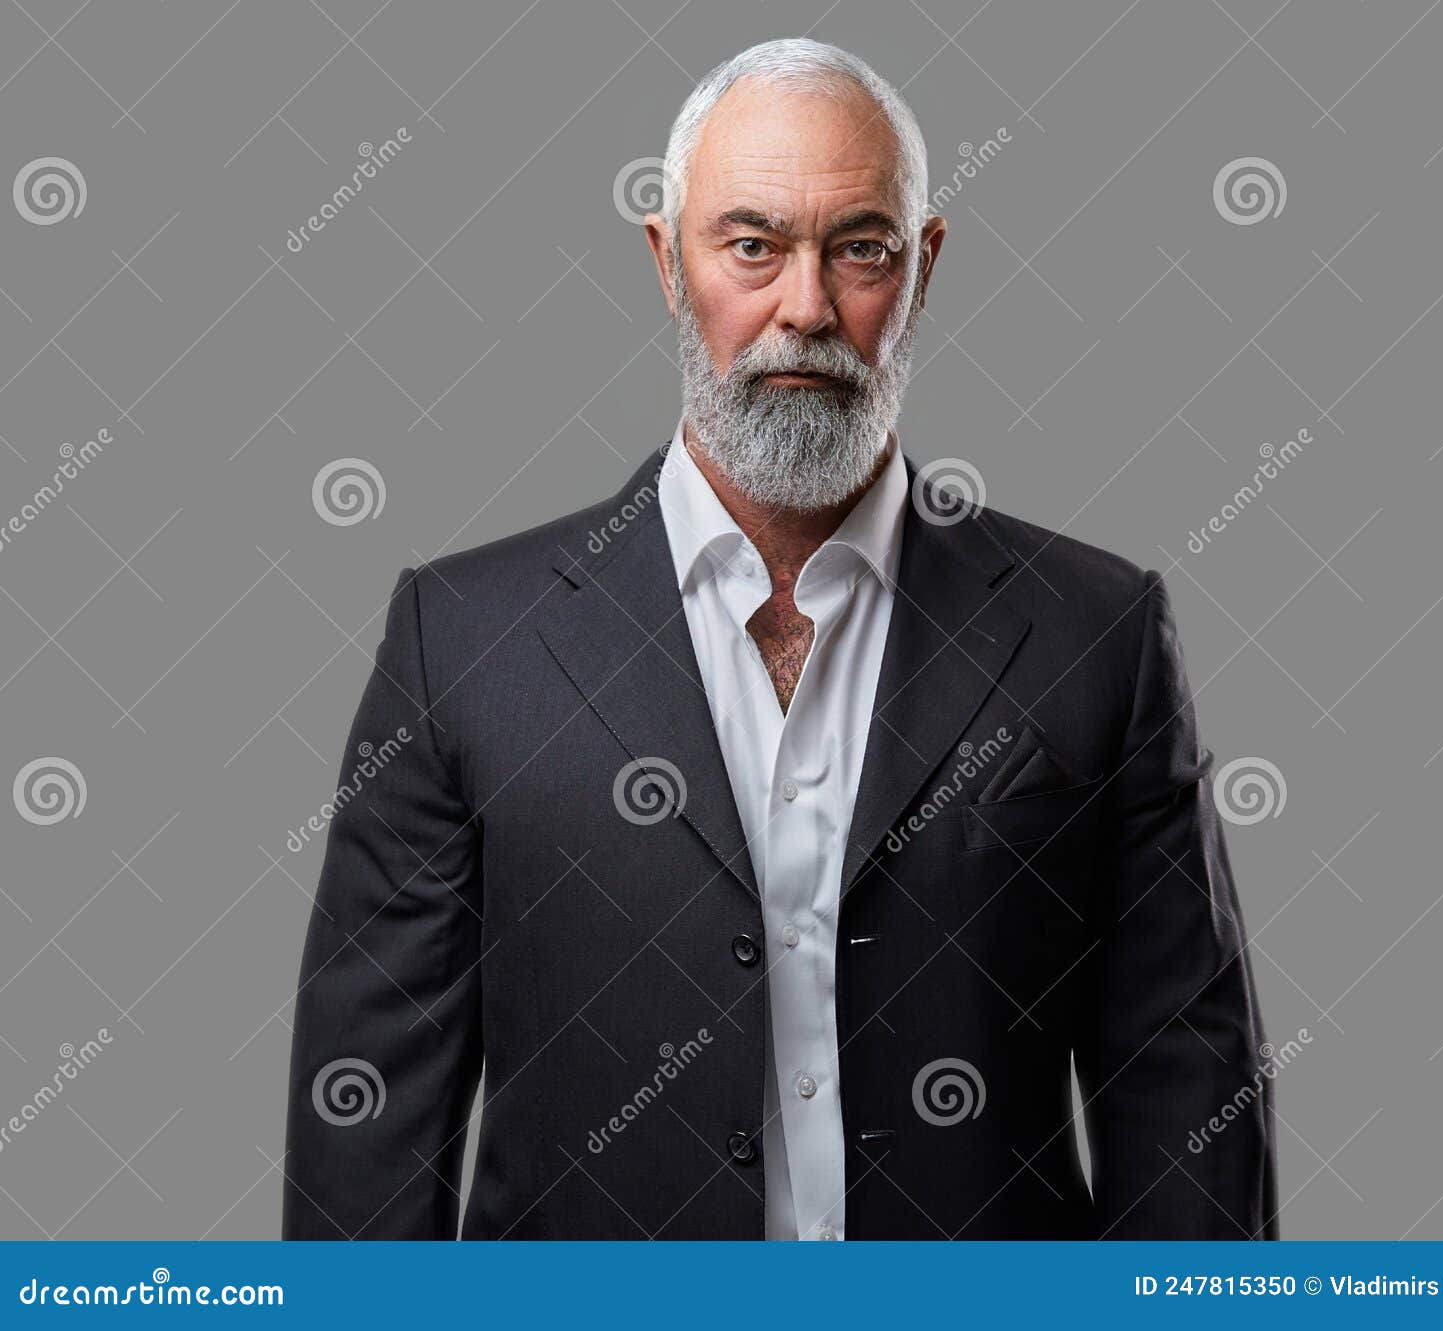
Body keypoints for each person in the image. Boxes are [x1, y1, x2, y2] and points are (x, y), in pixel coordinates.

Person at [282, 36, 1275, 1241]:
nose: (803, 307)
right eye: (750, 245)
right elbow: (368, 1138)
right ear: (666, 260)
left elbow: (1185, 1094)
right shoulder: (464, 640)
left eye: (858, 248)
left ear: (923, 269)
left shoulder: (1095, 633)